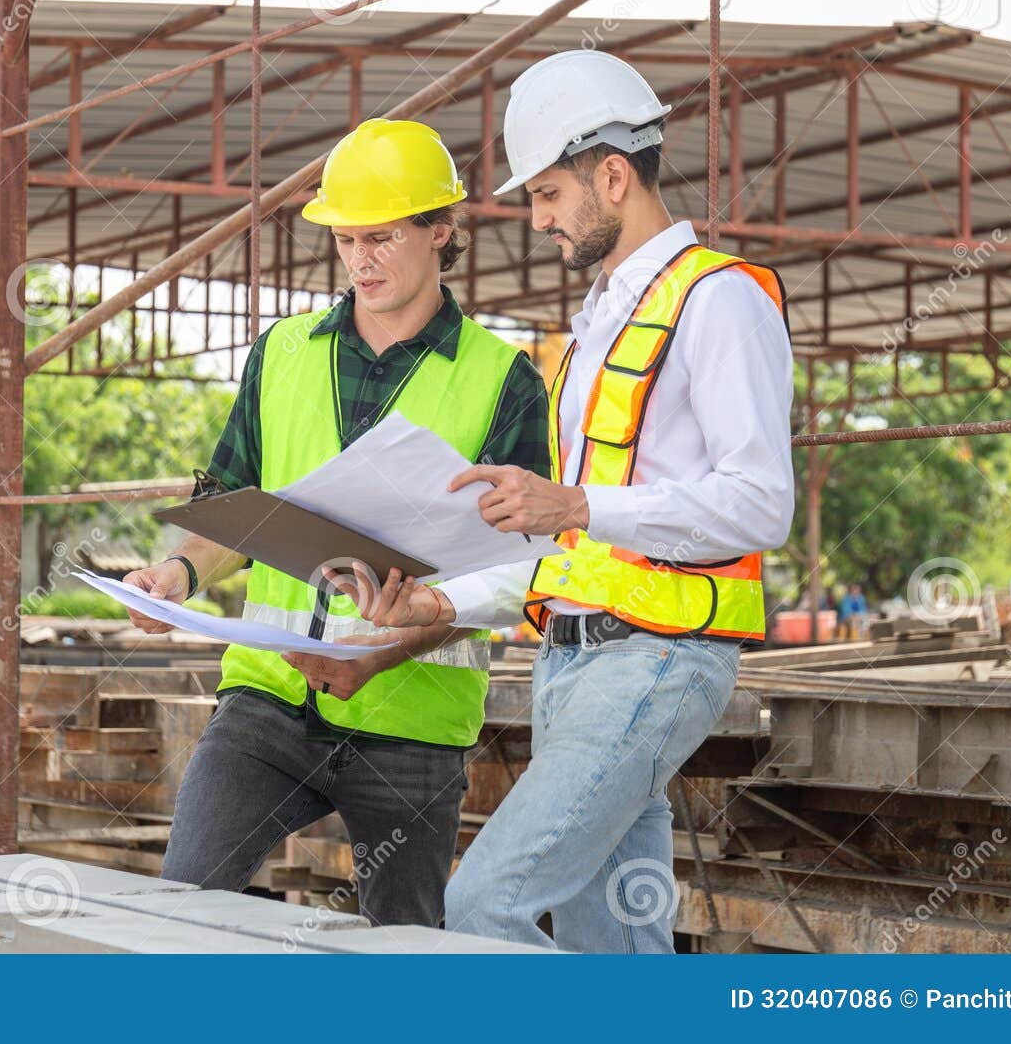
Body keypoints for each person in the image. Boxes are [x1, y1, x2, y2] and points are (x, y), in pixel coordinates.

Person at [337, 51, 794, 951]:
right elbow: (573, 545)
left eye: (548, 193)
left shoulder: (718, 301)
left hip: (656, 662)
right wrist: (445, 601)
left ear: (613, 176)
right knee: (613, 950)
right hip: (574, 666)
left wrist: (579, 505)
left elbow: (760, 502)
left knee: (480, 909)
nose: (536, 217)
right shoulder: (599, 324)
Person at [122, 118, 549, 927]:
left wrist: (384, 651)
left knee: (408, 955)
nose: (362, 259)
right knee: (178, 911)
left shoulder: (507, 383)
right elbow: (229, 500)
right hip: (269, 698)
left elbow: (520, 569)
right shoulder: (280, 354)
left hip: (412, 721)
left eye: (383, 236)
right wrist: (175, 574)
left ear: (442, 229)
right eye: (347, 239)